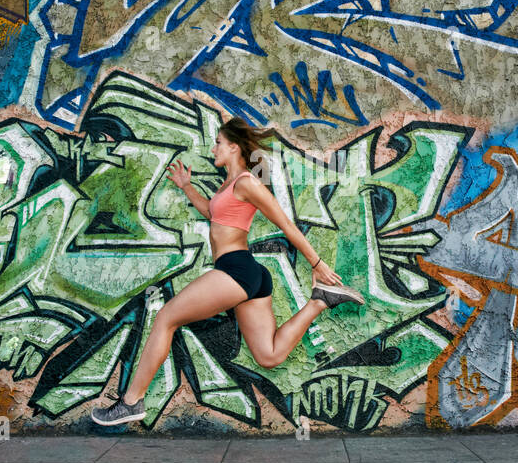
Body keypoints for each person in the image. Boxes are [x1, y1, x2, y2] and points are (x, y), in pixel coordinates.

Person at [91, 117, 364, 425]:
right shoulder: (229, 185)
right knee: (269, 355)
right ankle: (319, 302)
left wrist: (318, 264)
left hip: (237, 269)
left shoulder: (247, 182)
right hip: (248, 276)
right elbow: (212, 213)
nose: (213, 149)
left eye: (219, 143)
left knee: (166, 318)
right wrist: (187, 187)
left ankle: (131, 401)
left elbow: (285, 224)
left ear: (234, 147)